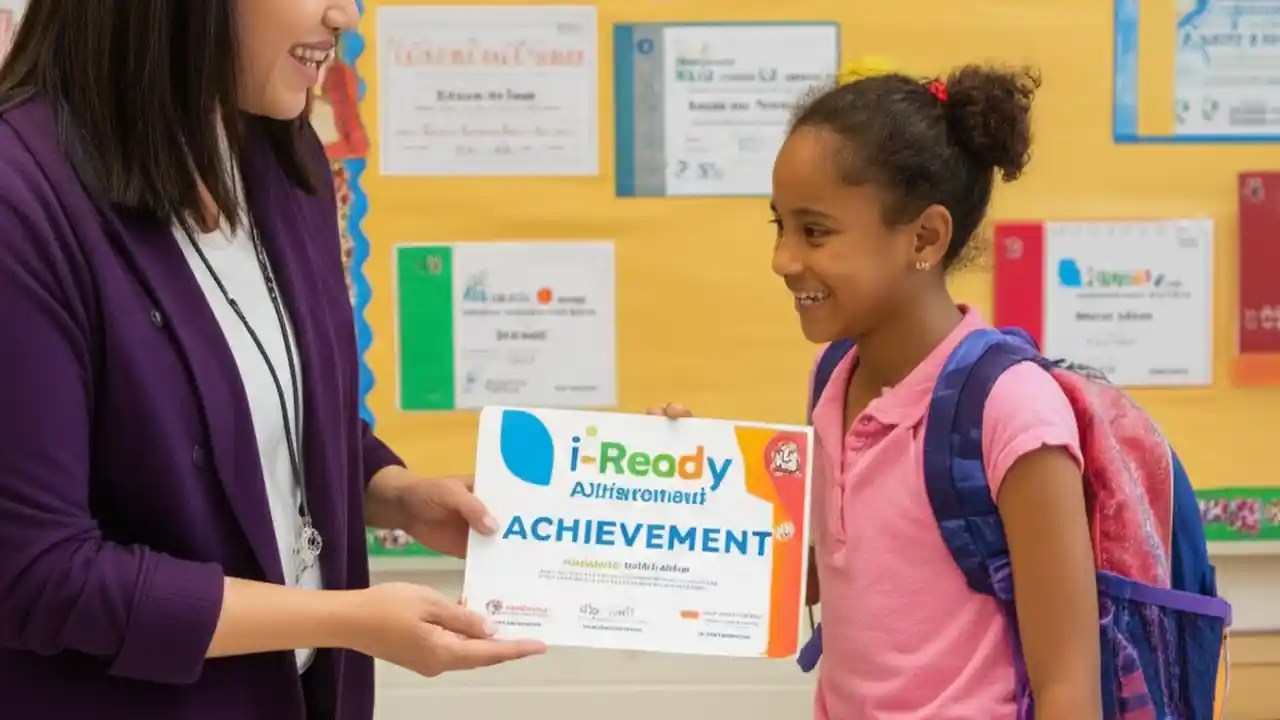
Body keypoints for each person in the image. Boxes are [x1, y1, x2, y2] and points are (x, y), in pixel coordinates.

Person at [0, 1, 544, 718]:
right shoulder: (22, 204)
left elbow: (266, 410)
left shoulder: (282, 158)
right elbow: (38, 575)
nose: (342, 12)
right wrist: (344, 619)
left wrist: (394, 493)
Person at [650, 64, 1103, 719]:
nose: (782, 259)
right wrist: (675, 492)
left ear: (924, 238)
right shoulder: (832, 377)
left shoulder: (1012, 410)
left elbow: (1068, 687)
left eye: (815, 231)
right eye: (779, 225)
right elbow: (829, 577)